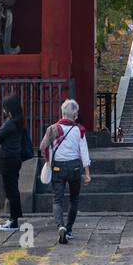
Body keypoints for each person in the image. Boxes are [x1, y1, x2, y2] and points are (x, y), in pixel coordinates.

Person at [41, 98, 91, 244]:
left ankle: (60, 226)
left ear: (62, 112)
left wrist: (49, 164)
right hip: (75, 167)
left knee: (57, 199)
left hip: (58, 167)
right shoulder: (79, 130)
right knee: (74, 199)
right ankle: (68, 230)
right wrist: (87, 172)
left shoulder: (53, 129)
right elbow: (84, 152)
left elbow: (46, 147)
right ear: (75, 114)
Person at [0, 94, 33, 231]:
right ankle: (15, 217)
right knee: (13, 189)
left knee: (10, 190)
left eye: (5, 108)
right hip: (15, 158)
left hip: (7, 158)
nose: (4, 111)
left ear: (9, 108)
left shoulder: (10, 123)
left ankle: (13, 221)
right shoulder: (19, 122)